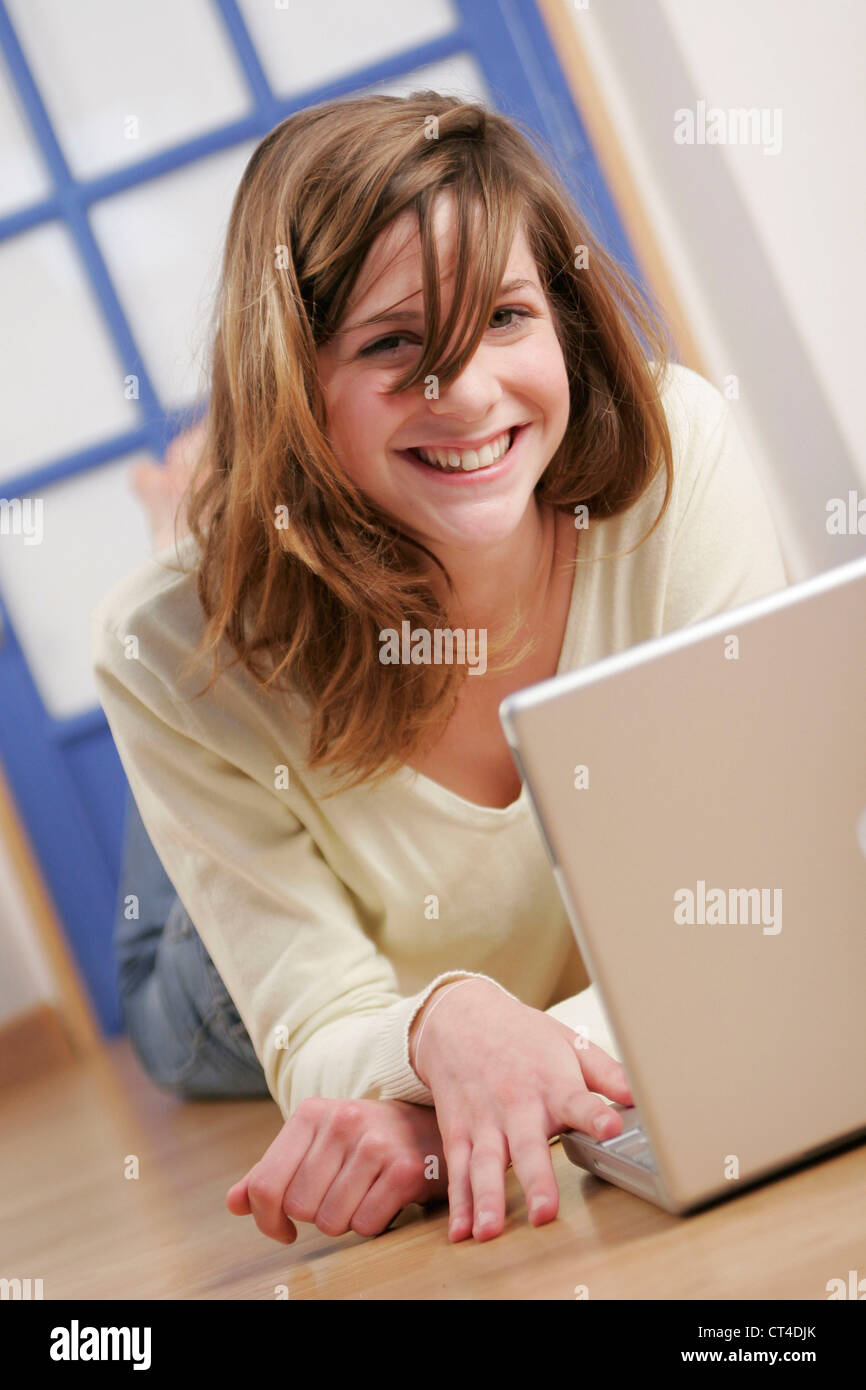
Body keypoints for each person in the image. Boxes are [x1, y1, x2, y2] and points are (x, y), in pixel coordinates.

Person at [92, 91, 788, 1250]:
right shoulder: (163, 650)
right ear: (290, 378)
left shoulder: (676, 454)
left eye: (506, 317)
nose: (463, 393)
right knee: (184, 1003)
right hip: (246, 943)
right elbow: (319, 1021)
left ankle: (214, 512)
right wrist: (438, 1033)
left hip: (469, 992)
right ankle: (197, 530)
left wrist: (454, 1098)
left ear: (561, 323)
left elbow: (739, 916)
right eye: (390, 343)